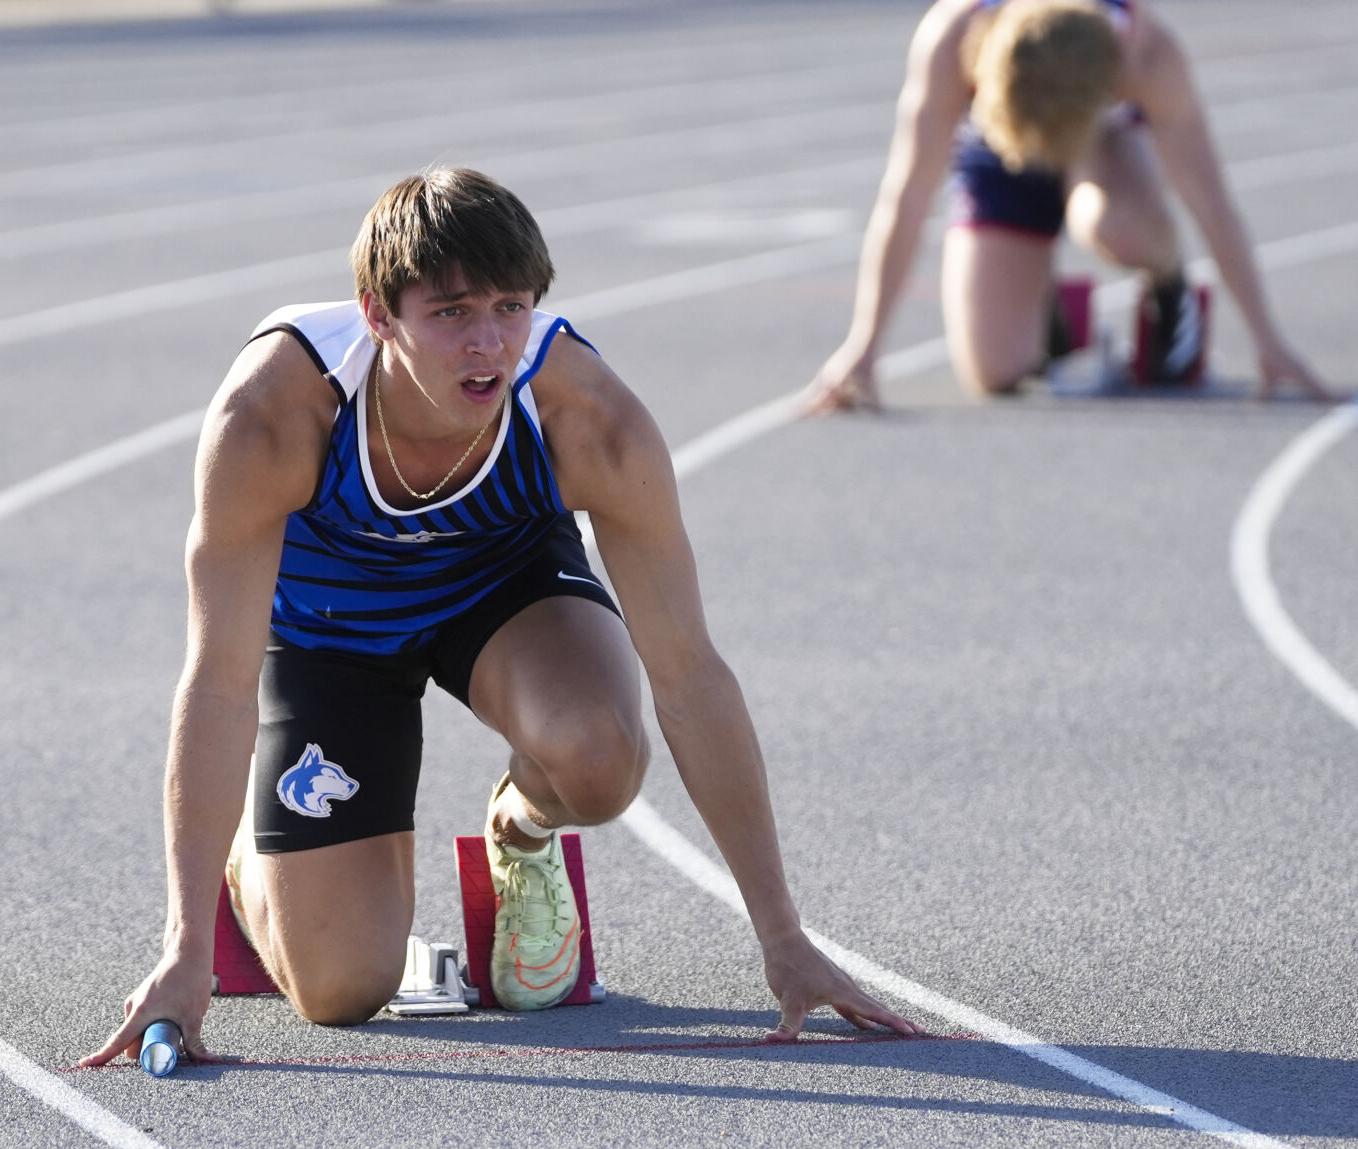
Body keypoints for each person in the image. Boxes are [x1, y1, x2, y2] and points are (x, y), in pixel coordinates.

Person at [82, 168, 919, 1066]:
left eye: (510, 308)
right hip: (331, 626)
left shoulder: (589, 421)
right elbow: (216, 678)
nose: (487, 344)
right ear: (377, 315)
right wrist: (183, 951)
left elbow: (690, 674)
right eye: (449, 314)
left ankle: (517, 834)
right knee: (339, 990)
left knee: (602, 758)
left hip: (500, 588)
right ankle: (252, 865)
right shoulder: (274, 417)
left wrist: (783, 939)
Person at [802, 0, 1331, 408]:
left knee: (1118, 227)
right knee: (996, 371)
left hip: (1103, 143)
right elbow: (906, 196)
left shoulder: (1145, 53)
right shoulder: (952, 39)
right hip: (1000, 152)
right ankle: (1048, 309)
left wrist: (1268, 341)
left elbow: (1210, 200)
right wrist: (864, 348)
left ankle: (1170, 290)